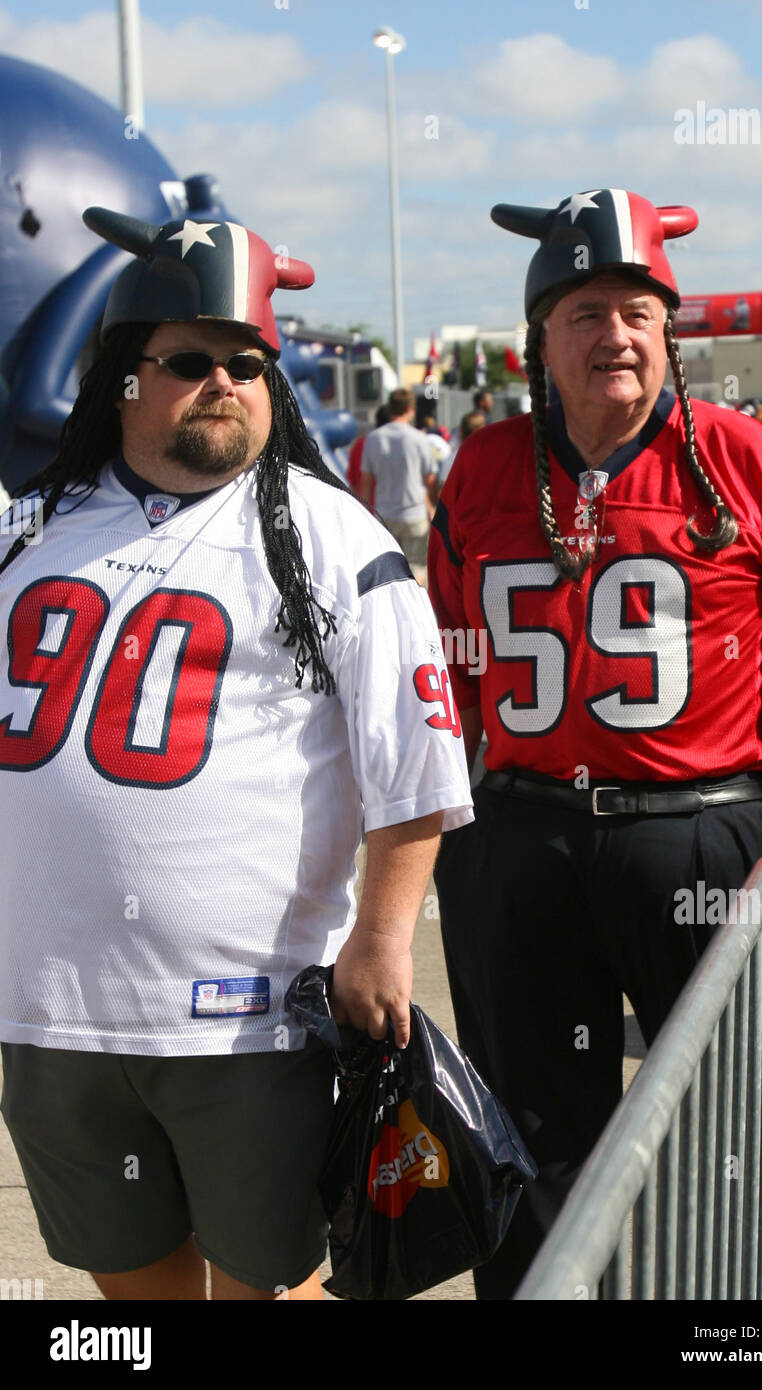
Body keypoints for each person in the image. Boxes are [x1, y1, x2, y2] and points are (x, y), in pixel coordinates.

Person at [0, 207, 473, 1301]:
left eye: (247, 363)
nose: (224, 381)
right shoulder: (31, 532)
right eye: (189, 361)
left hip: (244, 1018)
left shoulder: (330, 535)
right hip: (48, 1008)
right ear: (123, 375)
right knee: (132, 1291)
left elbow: (415, 768)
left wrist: (383, 939)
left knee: (272, 1288)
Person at [427, 186, 762, 1300]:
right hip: (522, 833)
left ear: (670, 332)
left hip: (694, 832)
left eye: (635, 311)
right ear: (540, 337)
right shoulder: (478, 469)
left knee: (720, 1126)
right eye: (582, 313)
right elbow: (432, 677)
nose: (612, 335)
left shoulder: (741, 456)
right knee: (521, 1138)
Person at [359, 388, 438, 577]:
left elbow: (366, 483)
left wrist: (365, 514)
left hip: (384, 514)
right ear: (411, 409)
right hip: (414, 513)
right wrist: (433, 504)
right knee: (417, 568)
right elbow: (430, 480)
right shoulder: (420, 439)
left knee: (388, 572)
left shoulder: (373, 439)